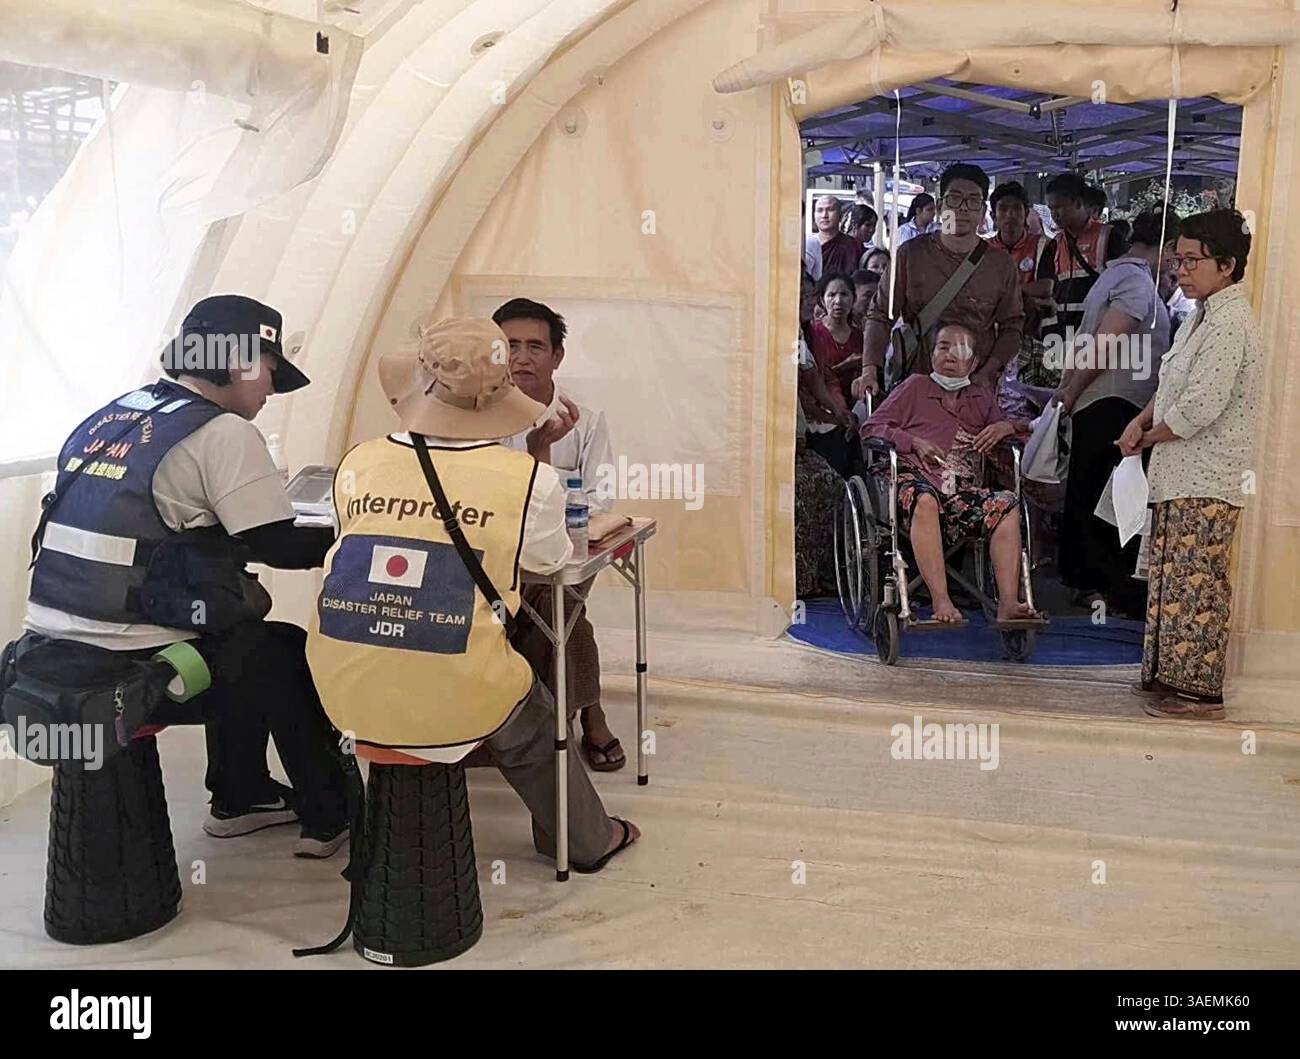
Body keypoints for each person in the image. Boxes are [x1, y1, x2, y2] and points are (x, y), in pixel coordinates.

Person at [21, 295, 349, 856]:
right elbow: (277, 544)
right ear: (242, 360)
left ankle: (240, 799)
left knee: (235, 627)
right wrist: (359, 532)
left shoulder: (117, 412)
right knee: (280, 651)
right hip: (141, 671)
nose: (271, 390)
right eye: (271, 371)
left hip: (48, 648)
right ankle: (333, 815)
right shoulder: (222, 432)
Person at [307, 317, 640, 867]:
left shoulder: (359, 462)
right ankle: (584, 839)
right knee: (532, 711)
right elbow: (554, 561)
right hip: (454, 685)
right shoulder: (527, 479)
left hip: (340, 686)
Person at [1118, 210, 1262, 720]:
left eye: (1191, 260)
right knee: (1171, 578)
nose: (1180, 270)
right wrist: (1140, 422)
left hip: (1209, 475)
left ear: (1226, 264)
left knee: (1197, 581)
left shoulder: (1231, 324)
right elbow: (1169, 387)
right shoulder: (1198, 317)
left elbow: (1200, 407)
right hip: (1178, 473)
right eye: (1177, 259)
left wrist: (1147, 437)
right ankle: (1166, 676)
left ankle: (1201, 692)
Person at [489, 297, 625, 773]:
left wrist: (540, 461)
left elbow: (600, 502)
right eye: (510, 347)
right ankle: (583, 715)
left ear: (557, 356)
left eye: (534, 346)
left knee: (559, 603)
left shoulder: (584, 422)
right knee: (556, 616)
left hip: (566, 553)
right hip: (494, 556)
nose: (522, 357)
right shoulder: (475, 417)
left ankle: (559, 721)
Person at [861, 324, 1039, 624]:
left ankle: (1008, 603)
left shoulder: (980, 396)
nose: (950, 355)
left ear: (973, 361)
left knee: (1007, 504)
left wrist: (1006, 426)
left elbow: (1019, 431)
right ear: (932, 355)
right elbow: (870, 428)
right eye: (943, 347)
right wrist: (913, 442)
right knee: (926, 500)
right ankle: (941, 601)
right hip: (911, 477)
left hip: (959, 490)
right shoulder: (915, 387)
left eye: (960, 349)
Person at [1053, 210, 1173, 617]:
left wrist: (1070, 388)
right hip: (1114, 402)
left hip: (1104, 399)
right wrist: (1071, 389)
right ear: (1166, 248)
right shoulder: (1136, 282)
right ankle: (1102, 584)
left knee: (1093, 491)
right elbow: (1106, 342)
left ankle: (1092, 580)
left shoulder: (1114, 275)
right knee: (1107, 498)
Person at [855, 163, 1024, 396]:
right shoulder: (910, 255)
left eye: (973, 200)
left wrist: (987, 373)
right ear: (940, 206)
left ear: (983, 212)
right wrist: (870, 369)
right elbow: (880, 314)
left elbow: (1012, 327)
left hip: (974, 390)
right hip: (917, 386)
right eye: (954, 199)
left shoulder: (1001, 264)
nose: (963, 209)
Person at [1038, 173, 1127, 345]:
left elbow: (1126, 286)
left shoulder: (1109, 236)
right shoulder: (1054, 244)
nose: (1054, 214)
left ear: (1078, 203)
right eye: (1050, 209)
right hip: (1062, 337)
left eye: (1059, 207)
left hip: (1098, 335)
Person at [807, 271, 864, 476]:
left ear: (853, 299)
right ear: (822, 300)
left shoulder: (860, 335)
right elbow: (820, 377)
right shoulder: (814, 334)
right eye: (831, 295)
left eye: (844, 294)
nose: (838, 301)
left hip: (851, 405)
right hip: (822, 409)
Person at [804, 195, 863, 281]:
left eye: (830, 210)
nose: (824, 215)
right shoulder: (807, 245)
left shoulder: (854, 246)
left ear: (840, 215)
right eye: (819, 210)